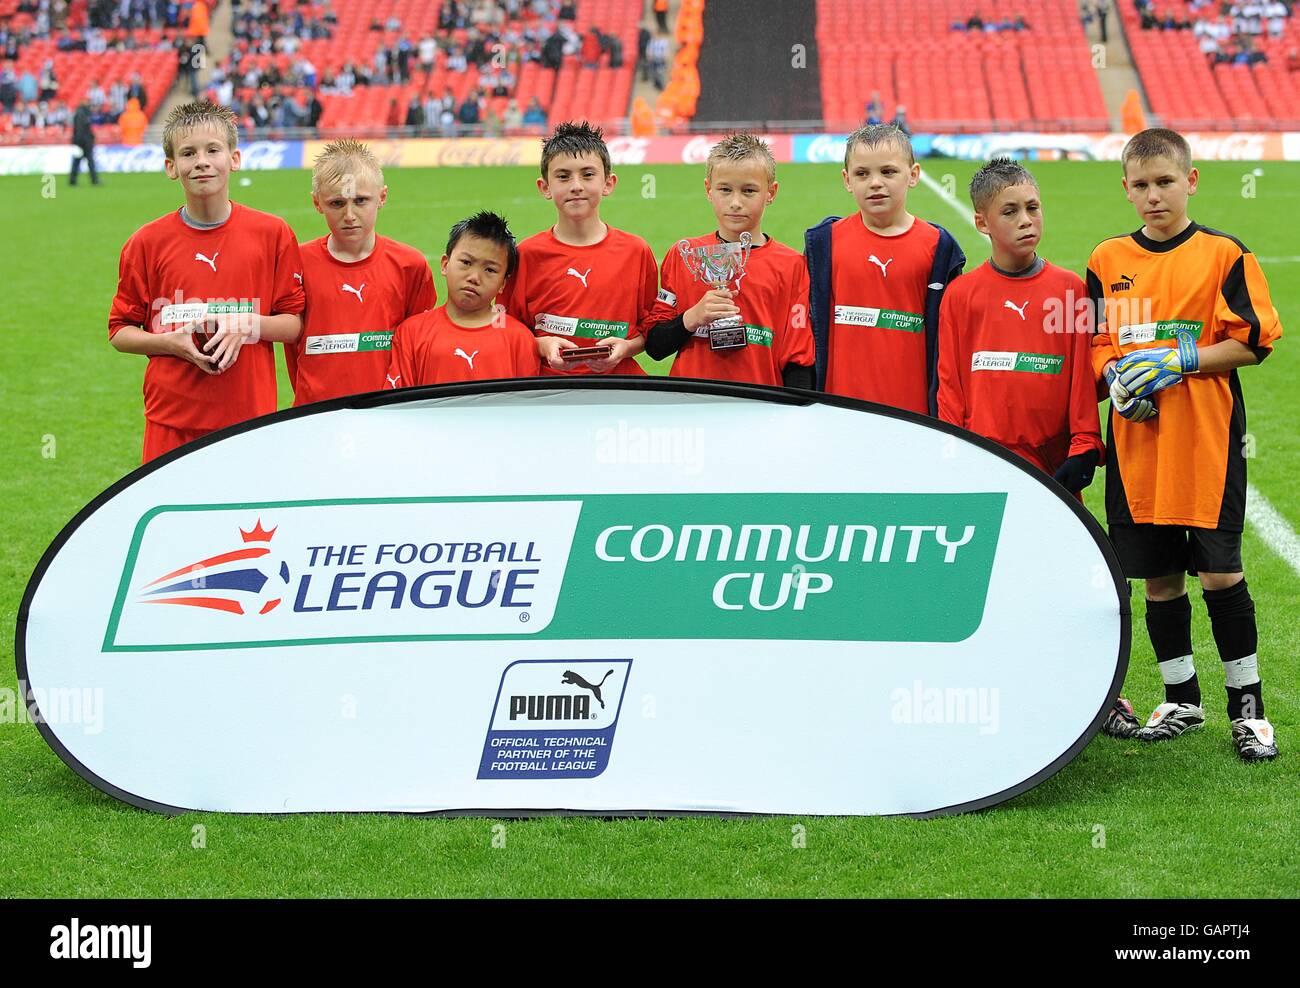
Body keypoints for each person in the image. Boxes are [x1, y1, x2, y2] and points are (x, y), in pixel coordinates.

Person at [1089, 128, 1282, 760]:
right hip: (1137, 450)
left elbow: (1253, 340)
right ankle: (1181, 699)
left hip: (1206, 445)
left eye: (1165, 182)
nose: (1153, 196)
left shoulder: (1225, 255)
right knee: (1160, 580)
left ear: (1190, 181)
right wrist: (1113, 378)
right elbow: (1094, 347)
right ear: (1126, 190)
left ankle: (1247, 711)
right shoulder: (1107, 260)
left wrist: (1187, 358)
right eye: (1141, 186)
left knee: (1221, 574)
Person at [107, 100, 305, 462]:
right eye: (188, 153)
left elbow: (293, 325)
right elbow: (119, 331)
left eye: (213, 149)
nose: (201, 161)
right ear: (171, 167)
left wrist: (245, 324)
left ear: (234, 158)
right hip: (171, 419)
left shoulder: (272, 234)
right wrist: (168, 343)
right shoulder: (145, 243)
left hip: (248, 417)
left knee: (245, 518)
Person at [936, 158, 1102, 493]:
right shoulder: (961, 294)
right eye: (1010, 212)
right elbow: (951, 384)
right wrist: (953, 444)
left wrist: (1086, 444)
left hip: (1052, 465)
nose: (1026, 220)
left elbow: (1082, 376)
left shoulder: (1070, 289)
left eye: (1032, 207)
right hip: (983, 458)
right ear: (982, 223)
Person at [804, 123, 966, 415]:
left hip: (914, 418)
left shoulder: (940, 249)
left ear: (913, 175)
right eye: (862, 174)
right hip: (838, 413)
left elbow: (953, 346)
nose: (875, 182)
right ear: (847, 180)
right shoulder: (823, 244)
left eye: (888, 172)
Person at [643, 134, 814, 387]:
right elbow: (655, 347)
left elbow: (798, 360)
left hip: (760, 406)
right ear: (708, 190)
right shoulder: (684, 255)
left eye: (748, 191)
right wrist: (693, 317)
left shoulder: (792, 265)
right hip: (691, 407)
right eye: (725, 189)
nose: (735, 202)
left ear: (771, 192)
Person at [502, 121, 658, 377]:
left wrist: (627, 347)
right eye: (563, 176)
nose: (576, 185)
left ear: (608, 183)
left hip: (620, 389)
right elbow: (507, 327)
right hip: (547, 393)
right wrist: (542, 345)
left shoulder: (636, 250)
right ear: (545, 187)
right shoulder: (526, 254)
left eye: (588, 174)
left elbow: (650, 327)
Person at [287, 139, 435, 405]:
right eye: (337, 203)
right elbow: (292, 345)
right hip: (316, 411)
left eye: (361, 201)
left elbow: (418, 346)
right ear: (317, 203)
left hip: (388, 409)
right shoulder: (297, 262)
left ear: (382, 197)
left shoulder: (410, 265)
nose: (350, 214)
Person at [387, 212, 539, 387]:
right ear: (445, 264)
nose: (474, 277)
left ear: (503, 283)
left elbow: (525, 407)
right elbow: (399, 406)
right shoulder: (411, 333)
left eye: (490, 270)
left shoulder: (519, 339)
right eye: (466, 262)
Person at [68, 97, 100, 186]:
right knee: (88, 161)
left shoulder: (81, 113)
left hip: (81, 141)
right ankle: (94, 180)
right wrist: (82, 140)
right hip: (83, 142)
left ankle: (73, 180)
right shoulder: (82, 114)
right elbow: (80, 129)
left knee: (78, 161)